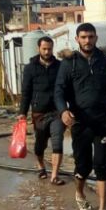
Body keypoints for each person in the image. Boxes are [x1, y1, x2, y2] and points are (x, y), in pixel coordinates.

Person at [55, 23, 106, 210]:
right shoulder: (68, 63)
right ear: (77, 39)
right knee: (83, 165)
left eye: (91, 37)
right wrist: (63, 111)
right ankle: (79, 193)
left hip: (102, 120)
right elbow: (59, 91)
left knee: (102, 165)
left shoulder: (104, 61)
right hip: (80, 122)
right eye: (83, 37)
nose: (87, 41)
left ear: (96, 38)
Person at [19, 35, 65, 184]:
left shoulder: (60, 66)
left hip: (57, 112)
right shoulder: (30, 68)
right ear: (38, 48)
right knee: (40, 145)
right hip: (39, 113)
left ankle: (55, 175)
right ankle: (40, 165)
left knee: (57, 141)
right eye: (44, 49)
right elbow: (26, 92)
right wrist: (22, 113)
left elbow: (66, 87)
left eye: (49, 49)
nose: (47, 52)